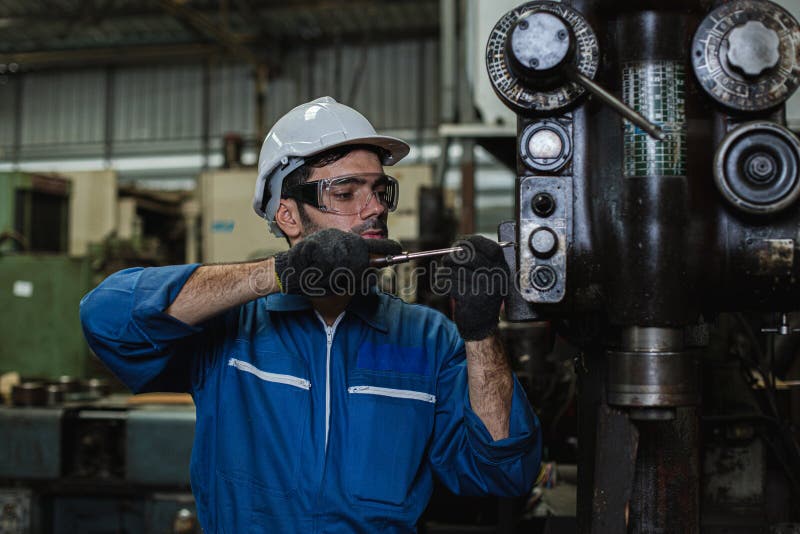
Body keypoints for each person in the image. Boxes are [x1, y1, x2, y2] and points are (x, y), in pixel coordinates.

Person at [80, 96, 541, 533]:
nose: (376, 207)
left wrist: (481, 334)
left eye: (380, 191)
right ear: (289, 216)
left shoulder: (426, 339)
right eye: (346, 192)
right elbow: (105, 318)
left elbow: (502, 472)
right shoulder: (231, 328)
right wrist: (279, 273)